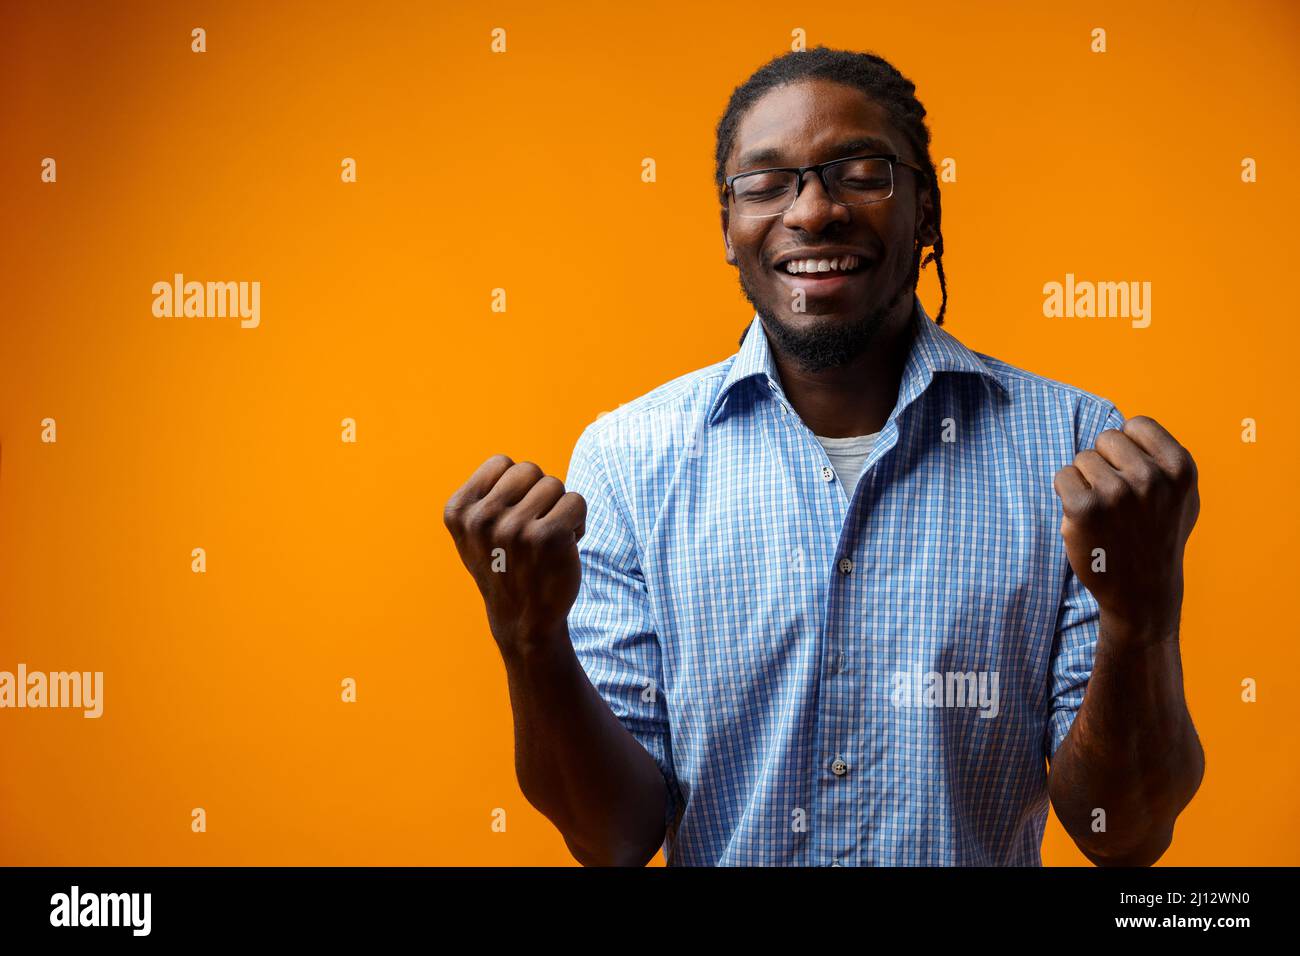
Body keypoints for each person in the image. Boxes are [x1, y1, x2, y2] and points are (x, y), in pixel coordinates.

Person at [443, 46, 1204, 866]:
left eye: (861, 172)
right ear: (729, 233)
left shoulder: (1076, 449)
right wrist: (529, 641)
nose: (813, 211)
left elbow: (1122, 835)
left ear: (926, 212)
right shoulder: (628, 462)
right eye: (767, 183)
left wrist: (1143, 616)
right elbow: (615, 839)